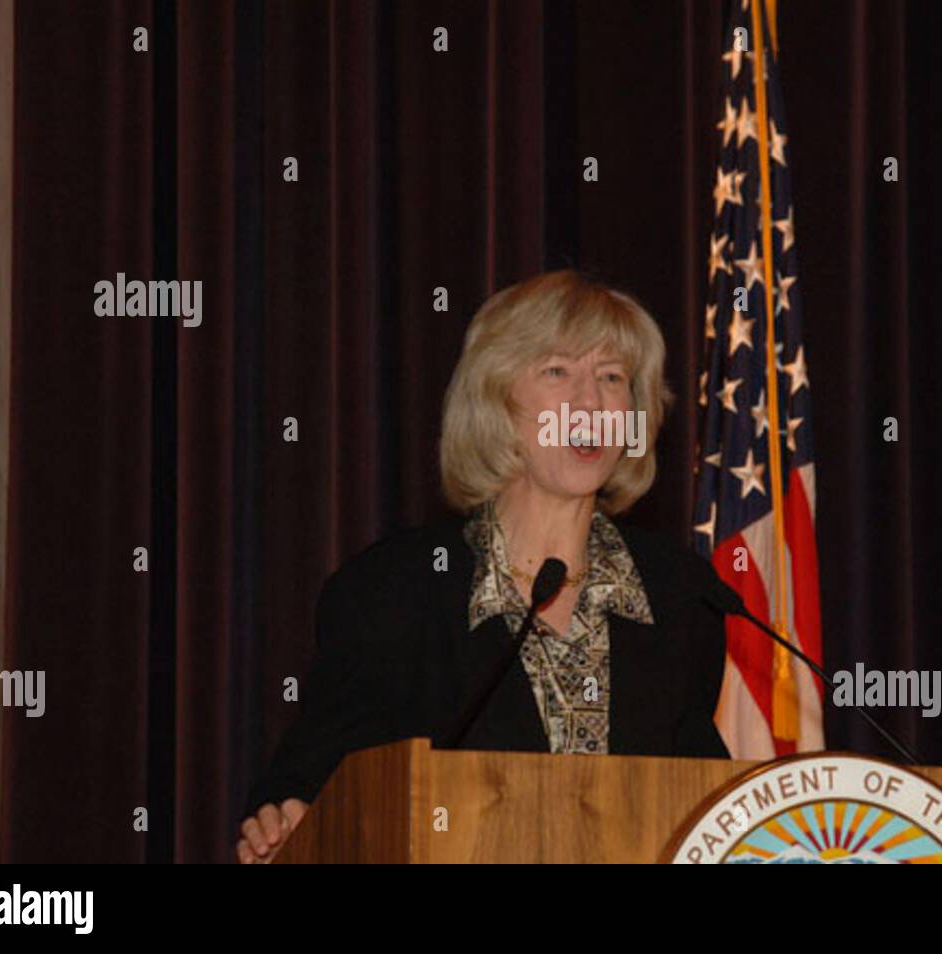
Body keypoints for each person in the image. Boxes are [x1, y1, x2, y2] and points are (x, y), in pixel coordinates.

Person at [236, 269, 731, 863]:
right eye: (557, 372)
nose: (590, 402)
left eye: (612, 377)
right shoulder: (395, 593)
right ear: (497, 401)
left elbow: (705, 806)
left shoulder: (680, 596)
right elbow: (309, 787)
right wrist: (285, 826)